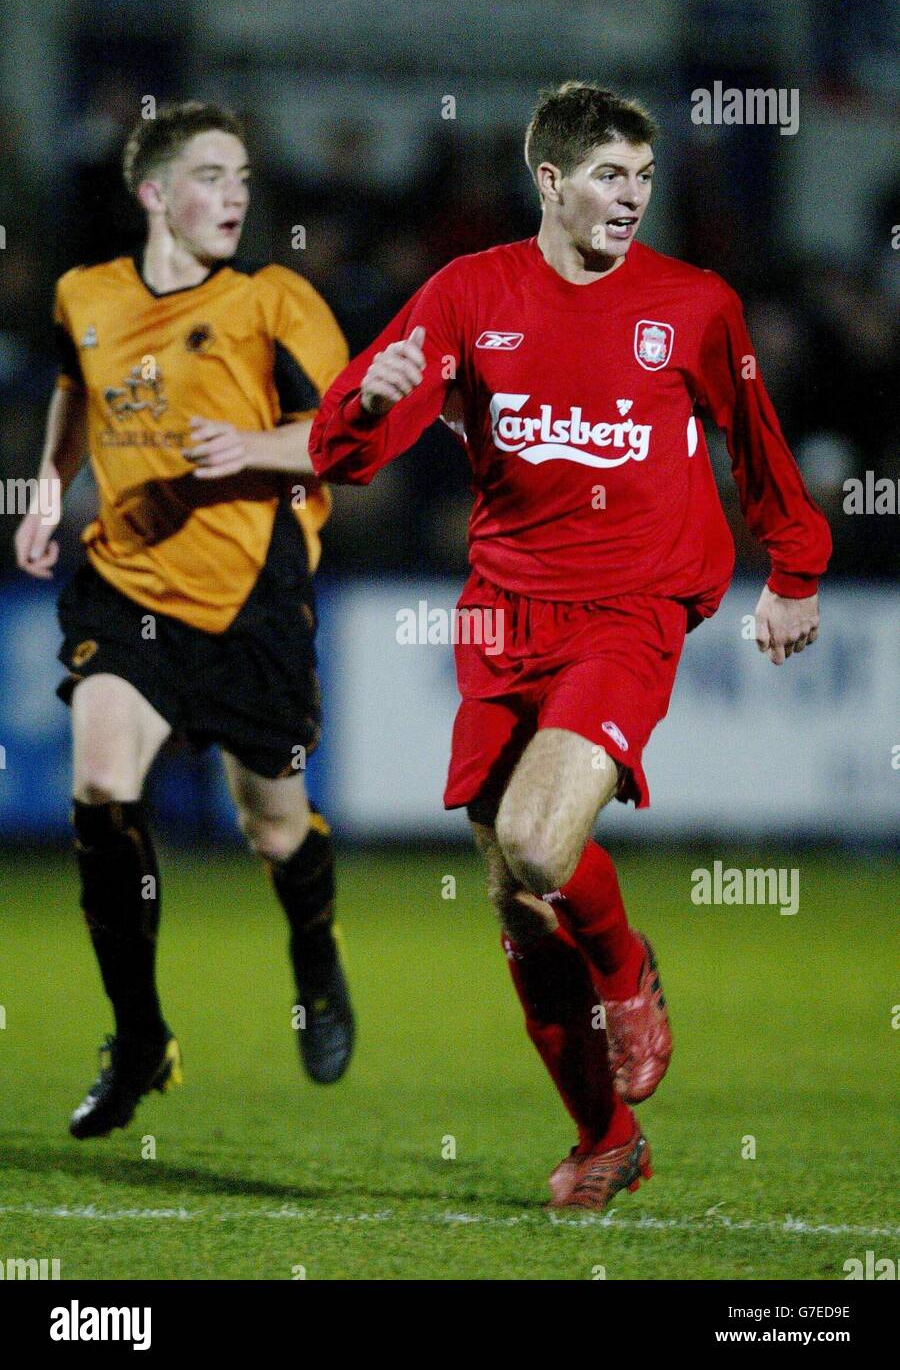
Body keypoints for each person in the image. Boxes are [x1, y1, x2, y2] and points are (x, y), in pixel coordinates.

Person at [309, 82, 831, 1210]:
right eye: (608, 175)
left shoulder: (692, 305)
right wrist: (367, 399)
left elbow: (755, 440)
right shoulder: (468, 293)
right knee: (510, 891)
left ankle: (627, 966)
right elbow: (351, 448)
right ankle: (606, 1135)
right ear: (549, 180)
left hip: (631, 608)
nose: (631, 196)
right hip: (503, 614)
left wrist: (795, 568)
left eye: (643, 177)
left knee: (540, 843)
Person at [14, 101, 355, 1139]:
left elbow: (351, 441)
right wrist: (45, 484)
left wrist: (251, 450)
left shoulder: (275, 301)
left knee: (274, 826)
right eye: (214, 175)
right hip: (125, 588)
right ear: (156, 193)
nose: (238, 195)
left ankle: (313, 949)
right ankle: (142, 1037)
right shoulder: (86, 294)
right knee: (102, 786)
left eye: (245, 176)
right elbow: (79, 388)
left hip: (254, 601)